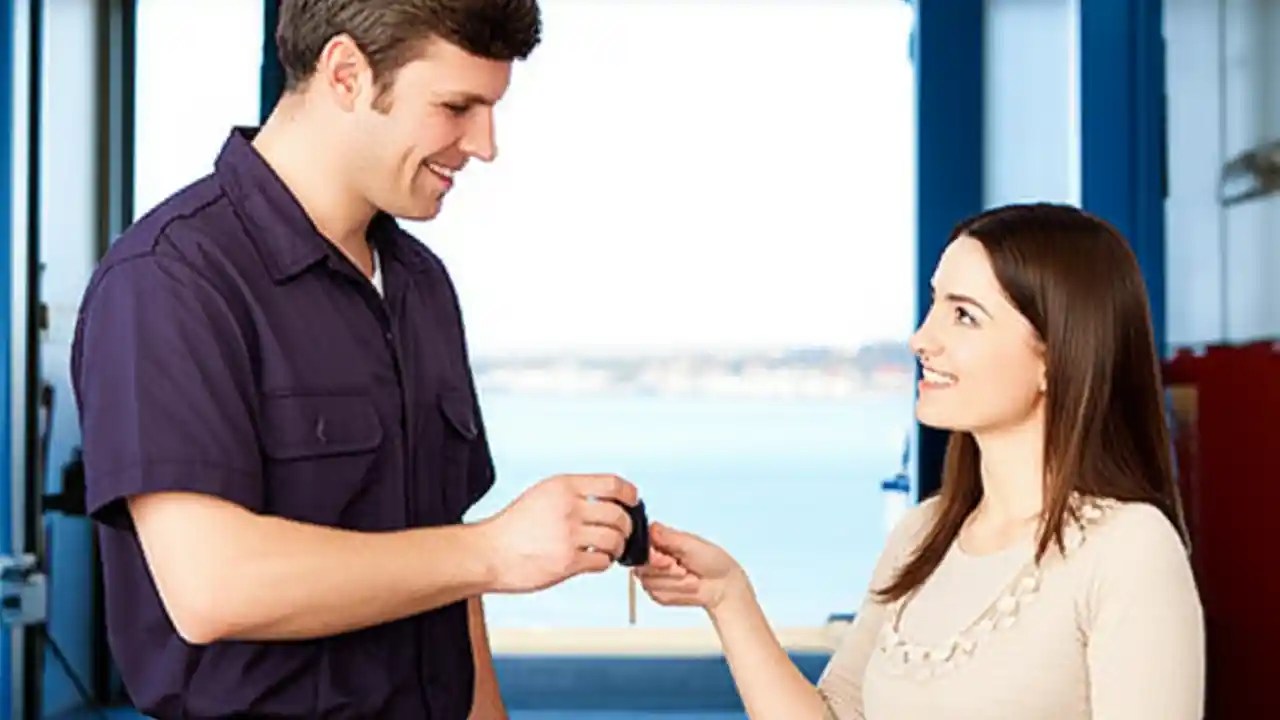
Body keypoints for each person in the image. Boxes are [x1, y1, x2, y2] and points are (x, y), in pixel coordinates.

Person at [71, 1, 640, 718]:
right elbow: (213, 587)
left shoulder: (421, 286)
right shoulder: (170, 280)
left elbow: (450, 578)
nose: (485, 144)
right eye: (456, 106)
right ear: (346, 73)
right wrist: (494, 552)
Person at [635, 203, 1206, 719]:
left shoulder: (1129, 549)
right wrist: (727, 596)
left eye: (964, 316)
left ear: (1055, 359)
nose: (920, 339)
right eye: (935, 303)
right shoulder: (923, 534)